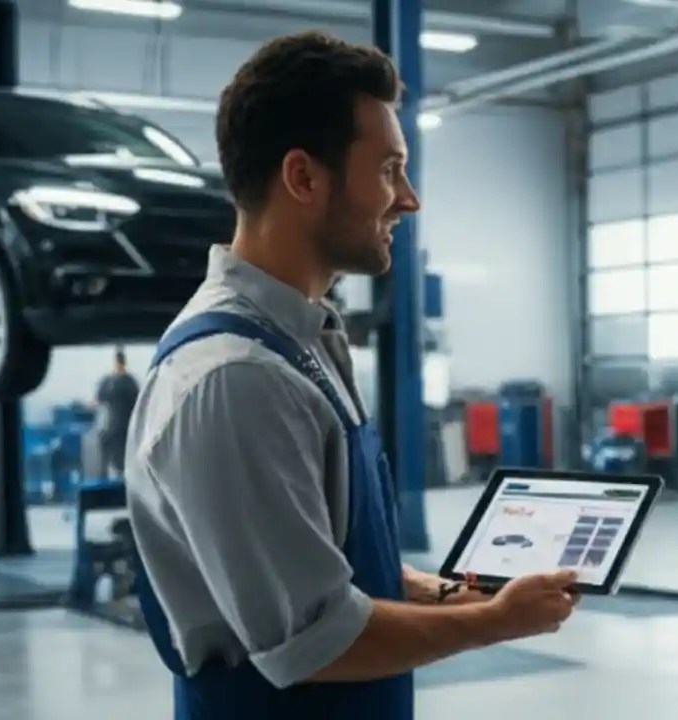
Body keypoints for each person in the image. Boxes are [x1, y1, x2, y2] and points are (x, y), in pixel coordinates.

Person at [123, 32, 578, 720]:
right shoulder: (232, 379)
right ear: (304, 178)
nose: (409, 200)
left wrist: (455, 593)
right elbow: (315, 642)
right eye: (390, 169)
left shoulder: (302, 341)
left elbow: (316, 559)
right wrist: (498, 622)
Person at [95, 347, 139, 478]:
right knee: (110, 460)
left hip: (122, 428)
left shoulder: (126, 382)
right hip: (114, 427)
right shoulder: (113, 381)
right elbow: (99, 400)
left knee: (120, 461)